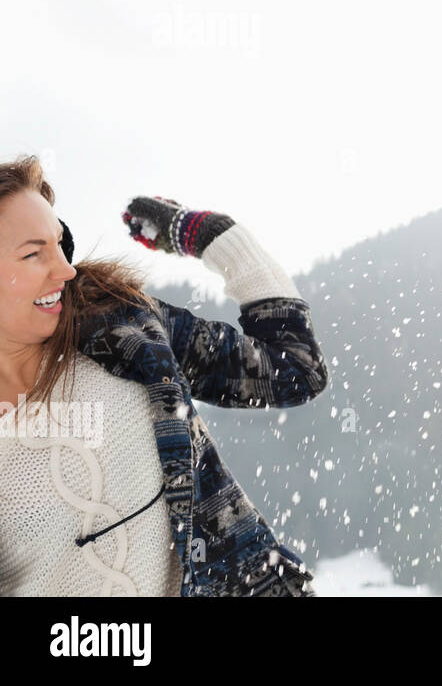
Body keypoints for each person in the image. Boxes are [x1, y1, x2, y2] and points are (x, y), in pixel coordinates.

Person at [0, 155, 328, 596]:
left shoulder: (122, 328)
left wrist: (214, 237)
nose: (65, 270)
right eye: (33, 253)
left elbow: (294, 369)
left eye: (60, 244)